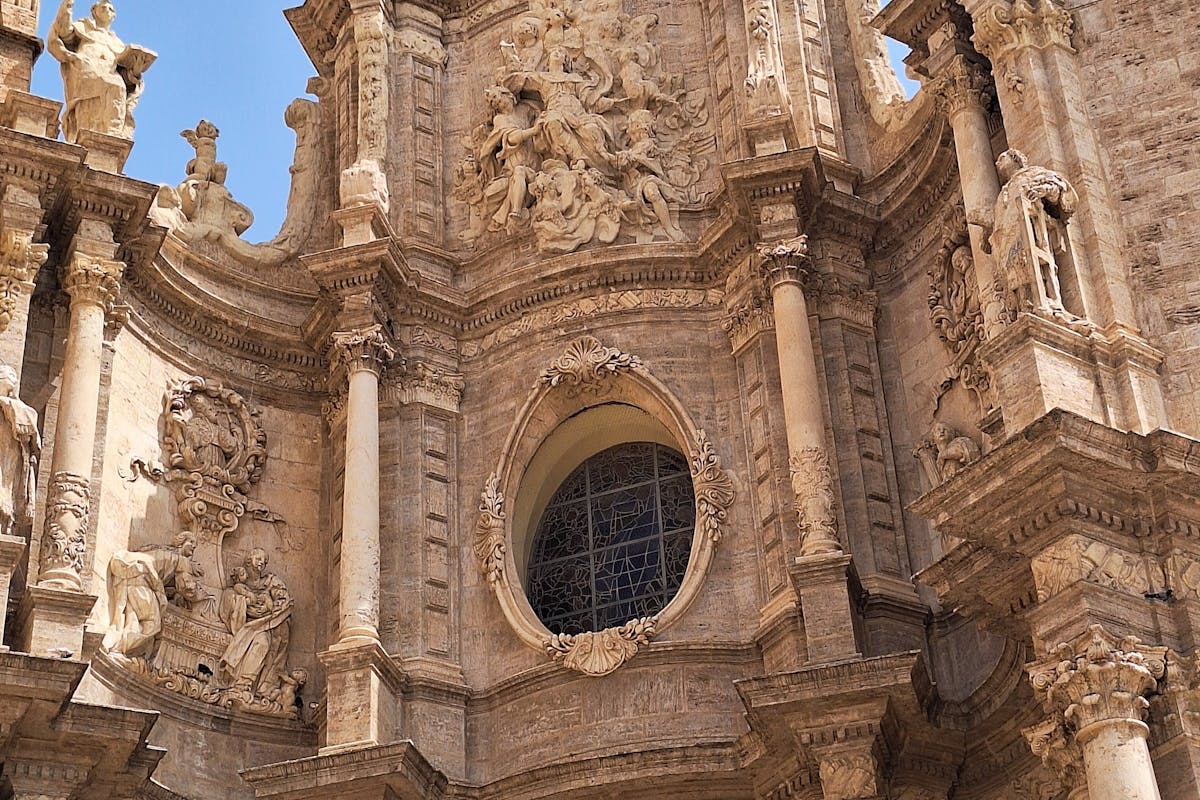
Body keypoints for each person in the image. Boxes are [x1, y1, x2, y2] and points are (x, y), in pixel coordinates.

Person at [47, 0, 155, 143]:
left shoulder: (117, 43)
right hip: (85, 70)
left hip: (108, 74)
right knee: (115, 86)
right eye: (103, 7)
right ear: (94, 11)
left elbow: (126, 78)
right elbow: (63, 32)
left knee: (117, 86)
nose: (107, 10)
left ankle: (111, 136)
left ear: (114, 16)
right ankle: (113, 135)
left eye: (111, 9)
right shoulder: (83, 27)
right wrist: (67, 6)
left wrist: (135, 71)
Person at [218, 548, 292, 697]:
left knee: (263, 643)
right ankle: (240, 684)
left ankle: (245, 684)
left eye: (264, 561)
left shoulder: (271, 581)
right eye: (258, 559)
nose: (262, 563)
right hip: (247, 624)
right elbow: (229, 600)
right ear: (248, 560)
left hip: (265, 624)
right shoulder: (239, 585)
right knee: (260, 641)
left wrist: (269, 608)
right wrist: (244, 603)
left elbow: (284, 600)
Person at [0, 365, 39, 538]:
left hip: (9, 454)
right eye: (9, 374)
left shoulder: (16, 406)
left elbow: (30, 422)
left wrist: (6, 403)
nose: (14, 378)